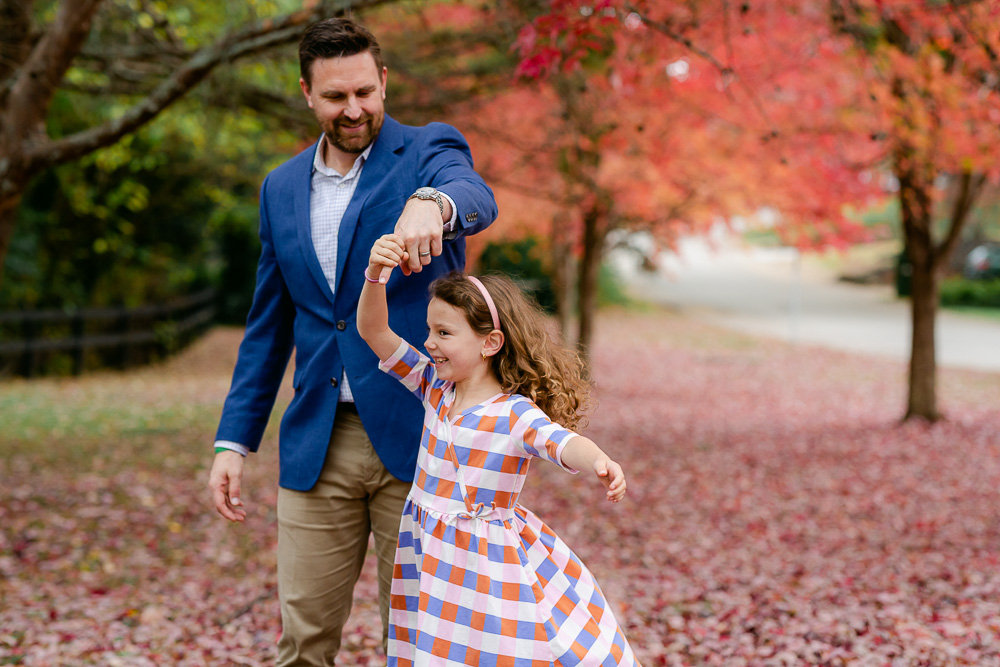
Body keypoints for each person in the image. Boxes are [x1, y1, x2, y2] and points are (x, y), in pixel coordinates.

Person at [207, 16, 497, 666]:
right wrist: (234, 439)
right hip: (316, 446)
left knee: (426, 645)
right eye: (336, 96)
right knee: (303, 645)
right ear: (306, 92)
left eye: (365, 91)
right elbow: (267, 326)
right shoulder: (279, 188)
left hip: (424, 438)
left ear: (384, 80)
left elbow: (472, 192)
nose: (354, 109)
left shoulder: (428, 151)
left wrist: (433, 205)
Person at [357, 235, 640, 665]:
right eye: (430, 331)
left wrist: (598, 460)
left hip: (485, 564)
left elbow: (561, 442)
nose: (429, 342)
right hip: (428, 550)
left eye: (444, 333)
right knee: (431, 648)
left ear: (489, 344)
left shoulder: (514, 415)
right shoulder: (433, 386)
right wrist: (376, 275)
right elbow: (373, 330)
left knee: (488, 652)